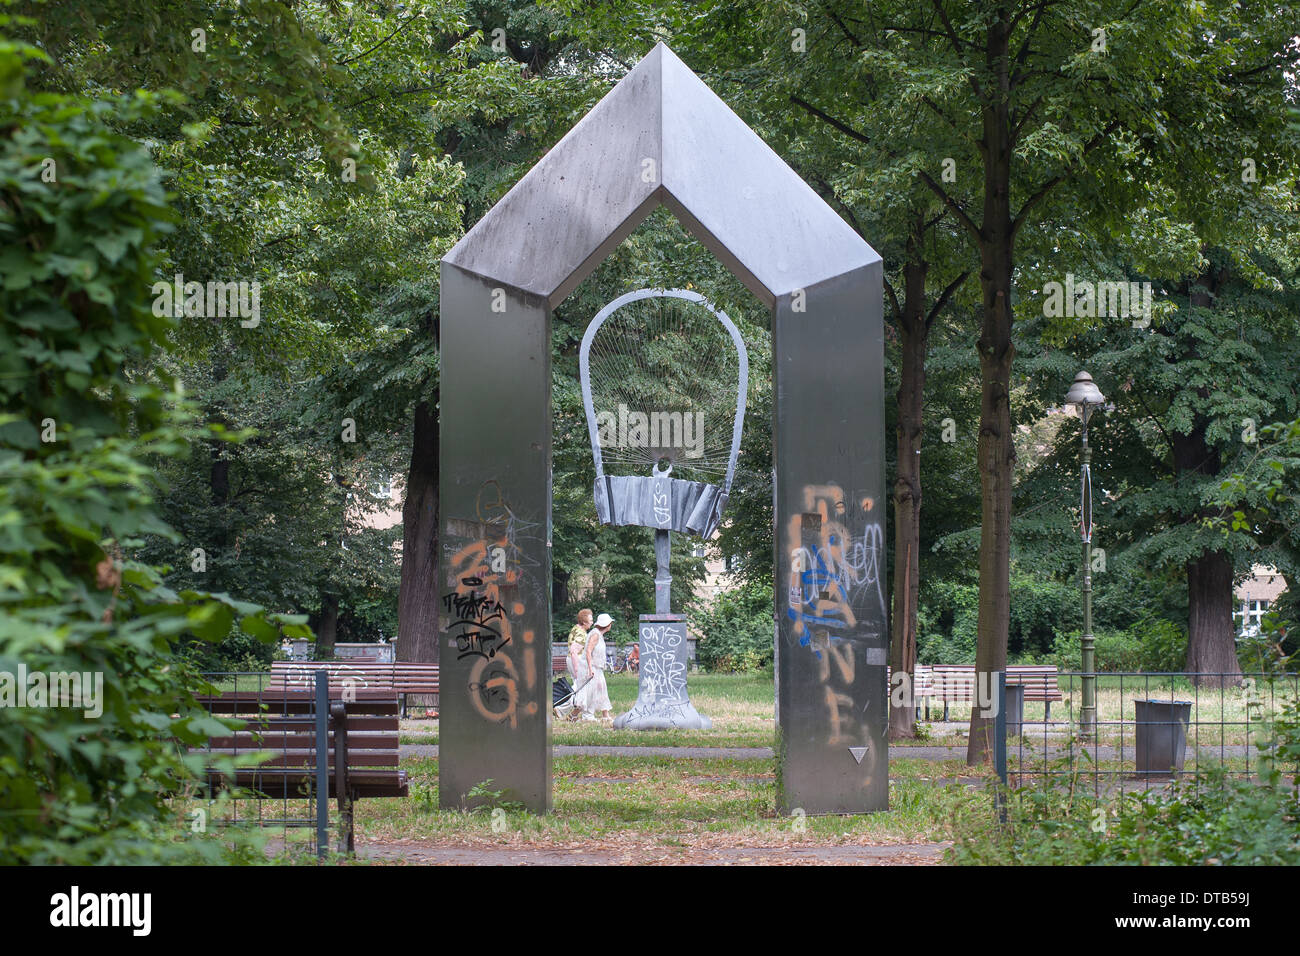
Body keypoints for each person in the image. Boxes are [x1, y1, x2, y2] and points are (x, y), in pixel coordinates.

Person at [575, 612, 614, 721]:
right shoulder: (595, 634)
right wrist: (590, 669)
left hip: (597, 667)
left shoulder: (598, 634)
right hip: (590, 667)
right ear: (607, 625)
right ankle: (587, 715)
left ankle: (605, 714)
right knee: (590, 691)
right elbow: (588, 651)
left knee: (601, 688)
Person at [564, 609, 593, 720]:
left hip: (571, 659)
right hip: (576, 660)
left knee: (578, 685)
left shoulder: (576, 628)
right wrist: (577, 669)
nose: (592, 622)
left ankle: (574, 711)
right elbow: (574, 650)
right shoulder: (581, 633)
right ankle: (563, 708)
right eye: (590, 620)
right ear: (584, 622)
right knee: (579, 686)